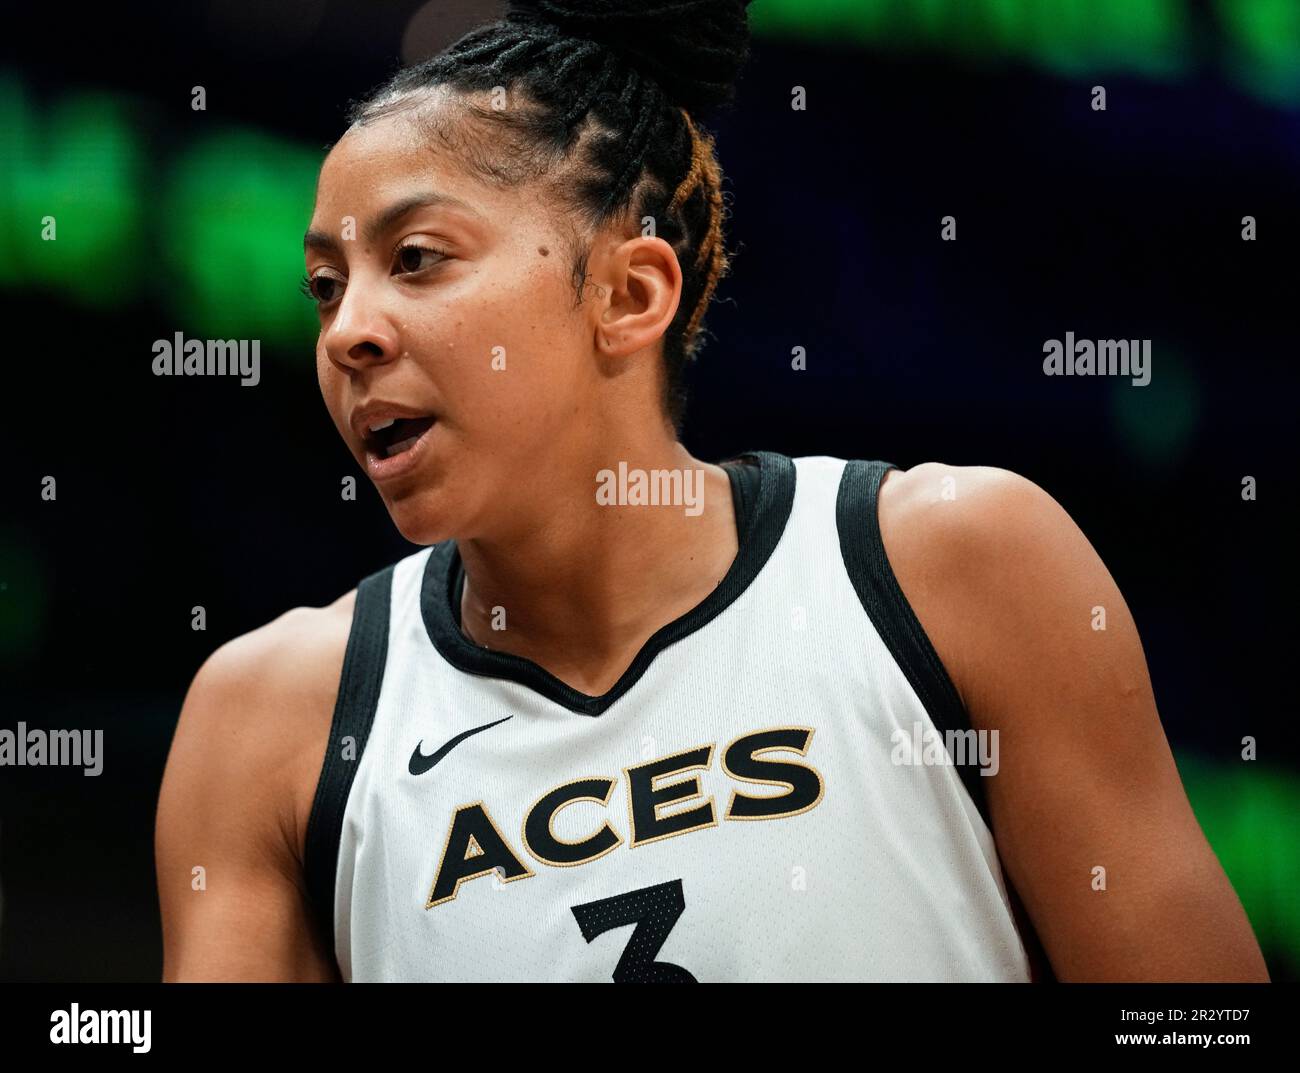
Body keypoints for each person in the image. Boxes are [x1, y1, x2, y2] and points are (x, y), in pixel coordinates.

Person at [155, 0, 1268, 982]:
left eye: (417, 259)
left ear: (629, 292)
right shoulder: (269, 722)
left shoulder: (957, 566)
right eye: (322, 284)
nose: (347, 329)